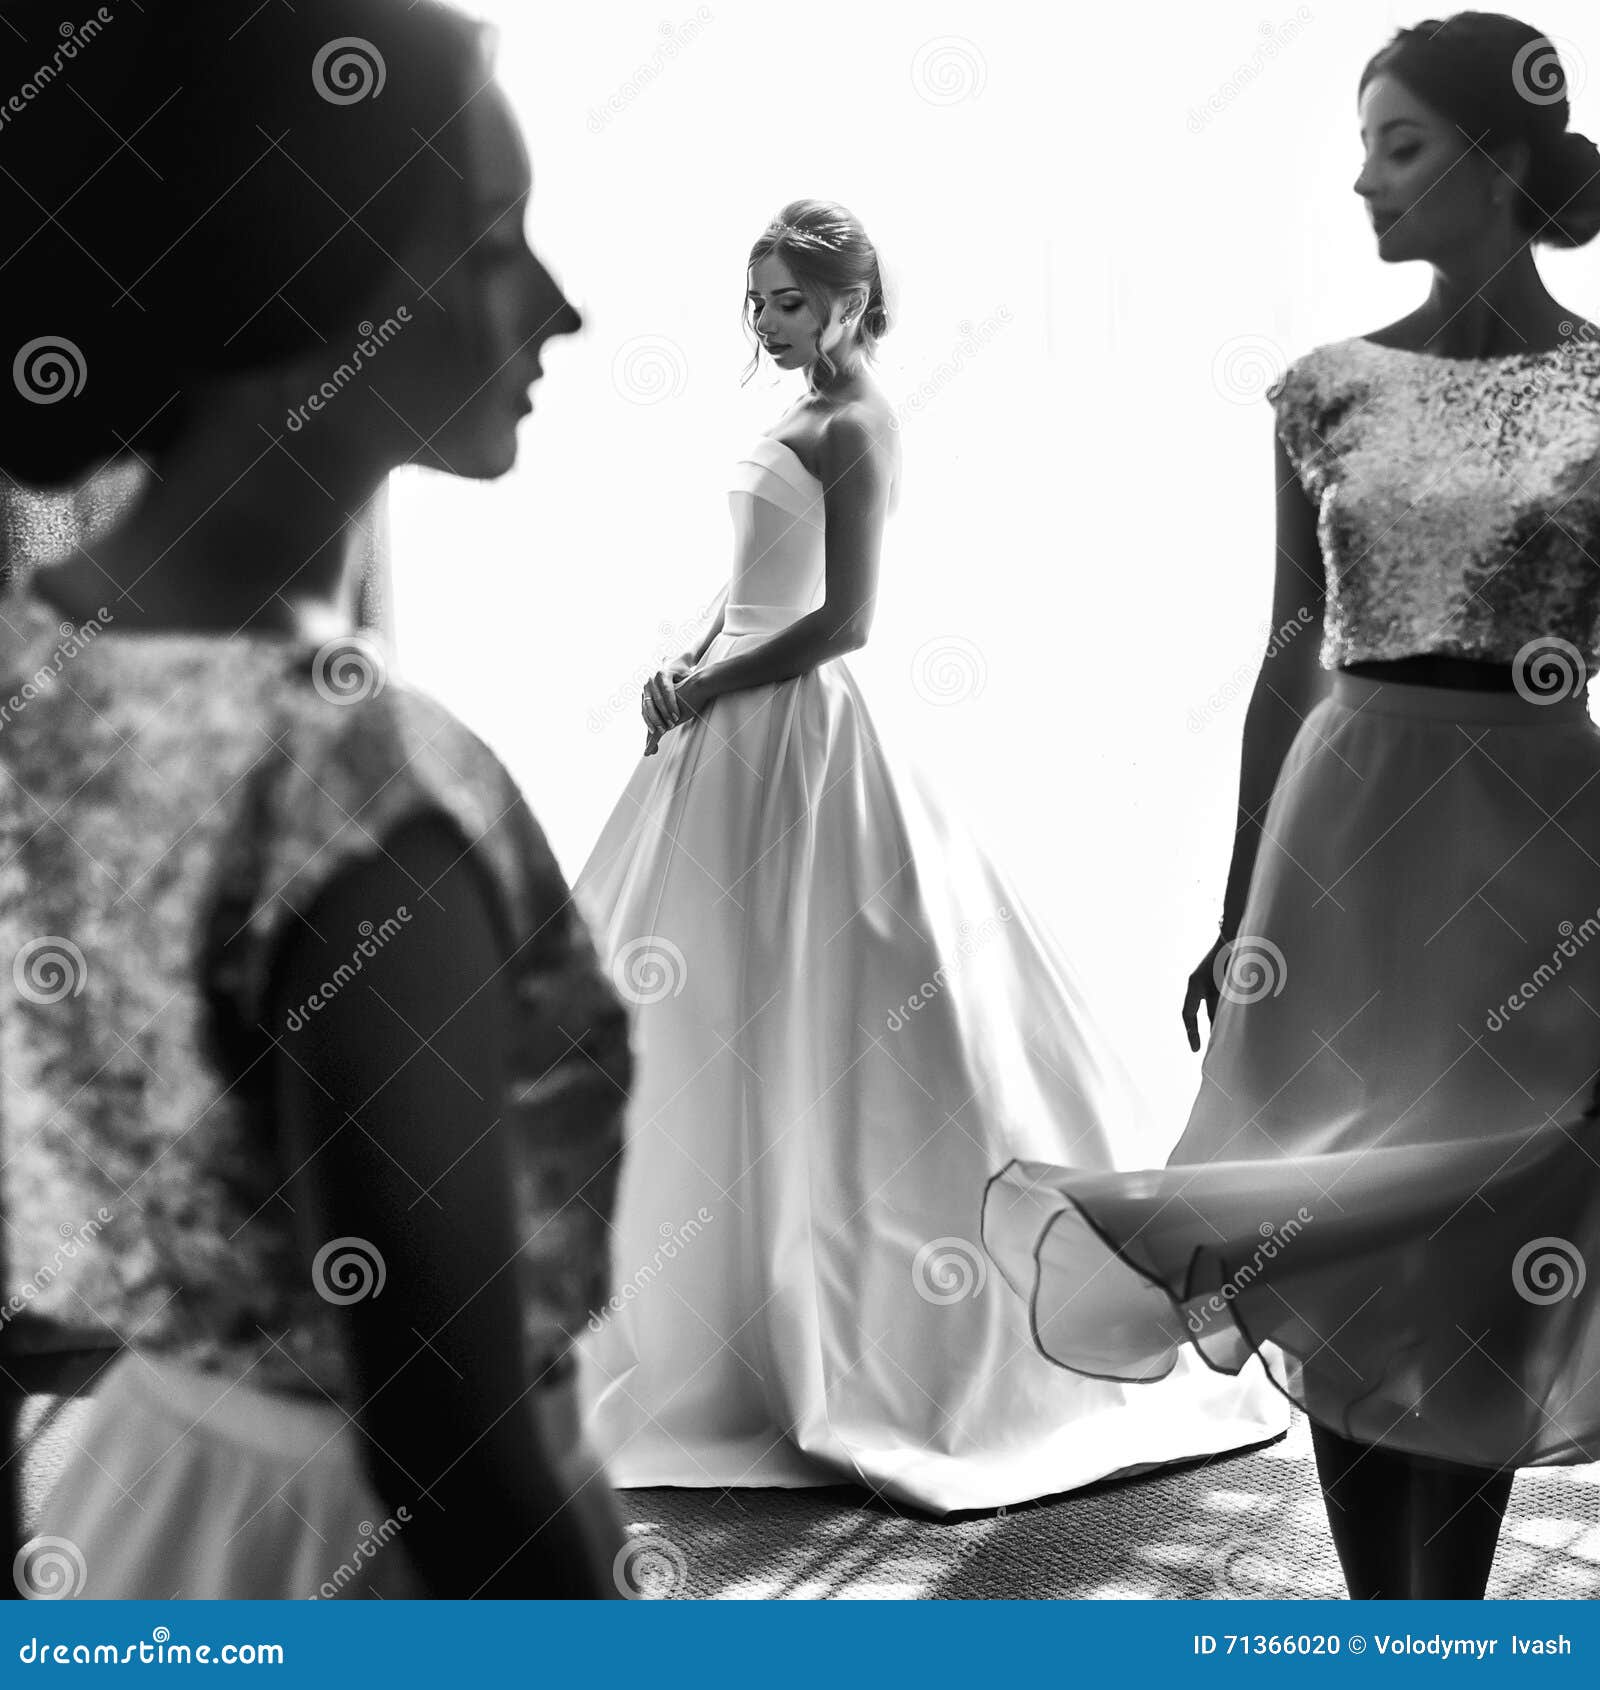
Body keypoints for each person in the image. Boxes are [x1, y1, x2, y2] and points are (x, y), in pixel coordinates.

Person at [0, 0, 630, 1598]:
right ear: (317, 276)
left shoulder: (38, 666)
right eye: (495, 241)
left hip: (127, 1505)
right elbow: (459, 1455)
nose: (561, 306)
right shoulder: (359, 788)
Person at [984, 11, 1600, 1599]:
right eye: (1361, 146)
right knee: (1323, 1232)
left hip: (1537, 850)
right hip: (1338, 857)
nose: (1364, 183)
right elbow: (1283, 656)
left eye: (1399, 146)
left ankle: (1433, 1626)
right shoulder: (1322, 391)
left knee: (1475, 1234)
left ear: (1504, 160)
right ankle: (1377, 1623)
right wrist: (1237, 903)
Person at [571, 198, 1287, 1515]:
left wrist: (722, 679)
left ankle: (881, 1326)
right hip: (724, 726)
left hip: (793, 733)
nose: (768, 322)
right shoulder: (787, 419)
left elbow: (843, 621)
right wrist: (688, 661)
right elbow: (752, 591)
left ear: (848, 302)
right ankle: (696, 1311)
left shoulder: (857, 426)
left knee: (829, 1003)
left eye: (789, 300)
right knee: (697, 1011)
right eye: (757, 301)